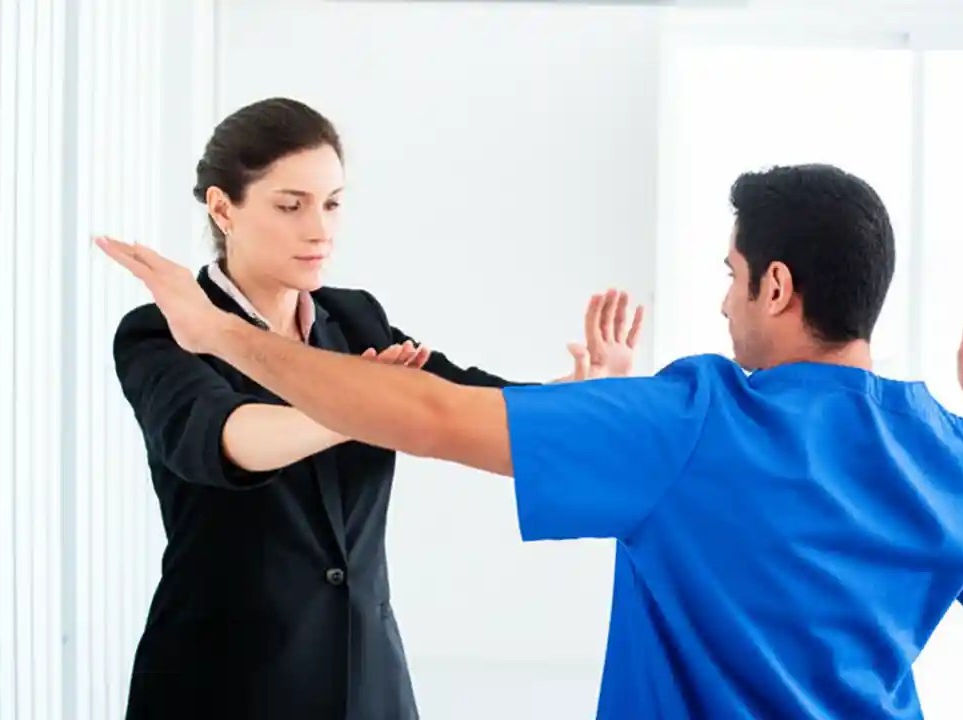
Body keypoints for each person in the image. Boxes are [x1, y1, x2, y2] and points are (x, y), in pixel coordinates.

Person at [99, 162, 963, 719]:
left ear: (776, 286)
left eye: (732, 274)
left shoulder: (694, 420)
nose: (723, 300)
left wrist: (221, 334)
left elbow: (432, 416)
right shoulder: (962, 455)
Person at [109, 97, 644, 720]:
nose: (320, 229)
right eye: (291, 205)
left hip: (364, 677)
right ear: (223, 208)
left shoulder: (355, 318)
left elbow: (462, 400)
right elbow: (225, 439)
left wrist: (578, 398)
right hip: (221, 680)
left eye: (332, 203)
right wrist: (362, 401)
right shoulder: (163, 329)